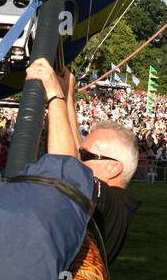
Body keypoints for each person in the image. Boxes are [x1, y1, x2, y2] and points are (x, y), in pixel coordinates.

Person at [26, 57, 137, 266]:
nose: (80, 159)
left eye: (87, 157)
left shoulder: (112, 202)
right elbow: (77, 153)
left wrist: (54, 94)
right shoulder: (117, 201)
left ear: (113, 167)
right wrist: (68, 94)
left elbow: (67, 170)